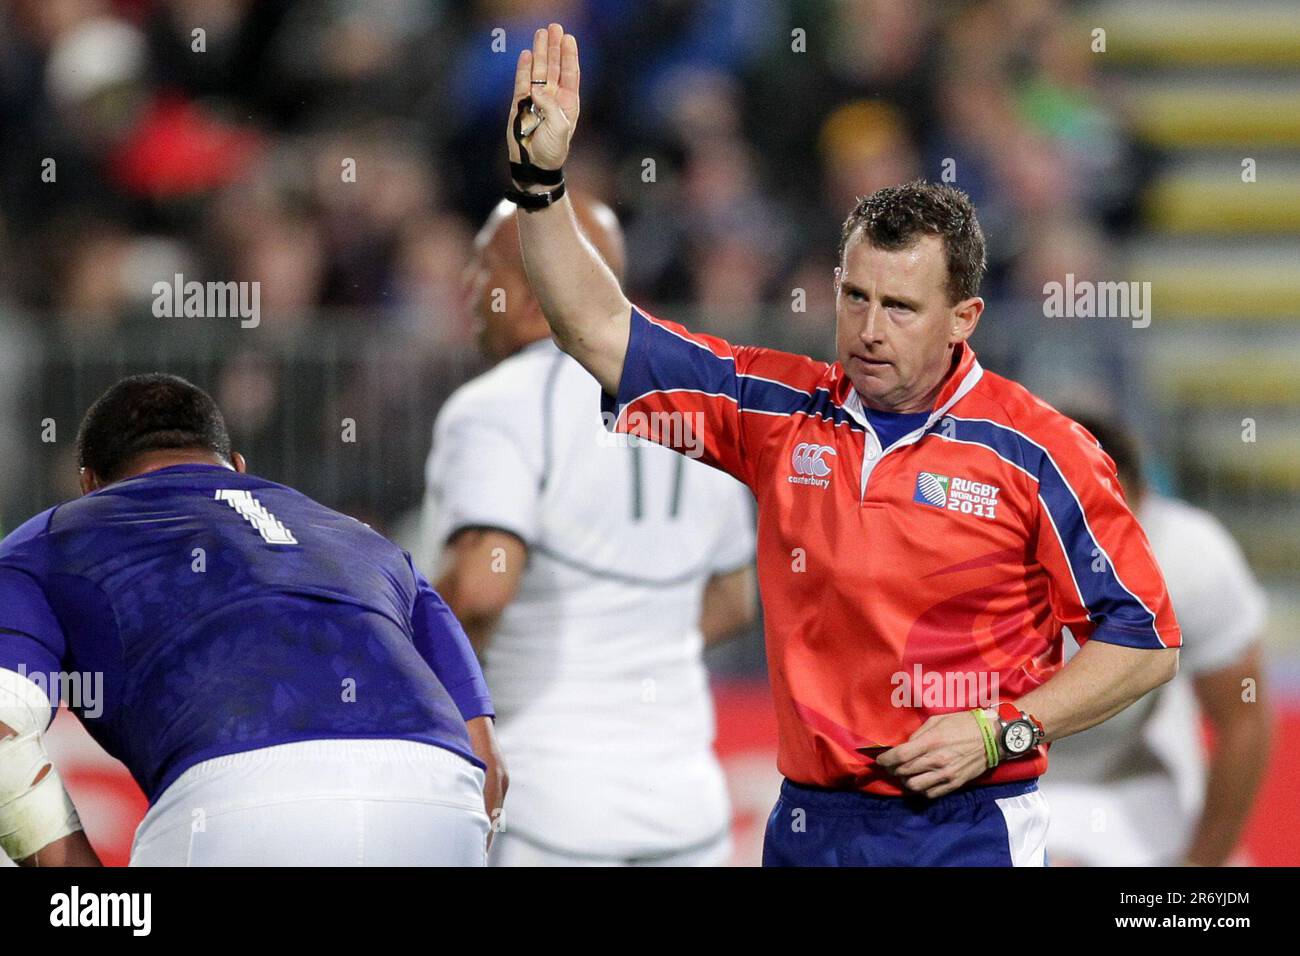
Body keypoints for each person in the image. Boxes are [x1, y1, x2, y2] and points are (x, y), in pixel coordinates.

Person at [497, 23, 1181, 867]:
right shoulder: (781, 406)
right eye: (853, 298)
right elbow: (597, 329)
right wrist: (540, 182)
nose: (867, 329)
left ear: (964, 318)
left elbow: (1144, 641)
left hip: (966, 831)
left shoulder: (1041, 451)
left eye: (899, 307)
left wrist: (1004, 729)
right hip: (806, 827)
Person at [0, 374, 503, 866]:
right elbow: (487, 763)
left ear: (89, 483)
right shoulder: (369, 542)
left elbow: (4, 735)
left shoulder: (50, 539)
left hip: (235, 804)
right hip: (438, 798)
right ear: (238, 467)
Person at [419, 192, 757, 866]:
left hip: (547, 807)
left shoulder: (498, 405)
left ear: (528, 291)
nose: (466, 288)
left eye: (483, 272)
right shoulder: (698, 401)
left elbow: (486, 586)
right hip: (687, 808)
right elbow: (735, 601)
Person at [1041, 414, 1271, 866]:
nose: (1089, 545)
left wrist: (1202, 866)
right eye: (1072, 520)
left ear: (1144, 503)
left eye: (1106, 518)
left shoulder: (1190, 556)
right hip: (992, 773)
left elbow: (1243, 723)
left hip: (1128, 777)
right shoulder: (964, 549)